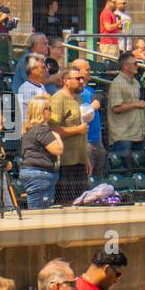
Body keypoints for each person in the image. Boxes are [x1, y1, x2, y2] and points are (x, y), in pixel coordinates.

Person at [49, 65, 91, 204]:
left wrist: (86, 159)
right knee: (66, 204)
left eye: (82, 78)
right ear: (66, 81)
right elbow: (53, 130)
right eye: (78, 78)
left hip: (79, 160)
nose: (81, 81)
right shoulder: (57, 99)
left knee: (82, 203)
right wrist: (77, 130)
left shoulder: (78, 99)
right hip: (65, 164)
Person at [19, 93, 62, 210]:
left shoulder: (30, 128)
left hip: (34, 172)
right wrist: (56, 135)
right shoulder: (41, 129)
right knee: (38, 214)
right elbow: (58, 149)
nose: (51, 111)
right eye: (49, 108)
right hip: (39, 174)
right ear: (41, 111)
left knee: (38, 212)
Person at [106, 54, 145, 157]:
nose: (137, 66)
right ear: (125, 66)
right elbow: (115, 108)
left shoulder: (136, 83)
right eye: (135, 63)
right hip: (123, 136)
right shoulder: (117, 83)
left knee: (137, 170)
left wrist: (144, 130)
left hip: (137, 134)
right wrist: (135, 104)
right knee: (123, 169)